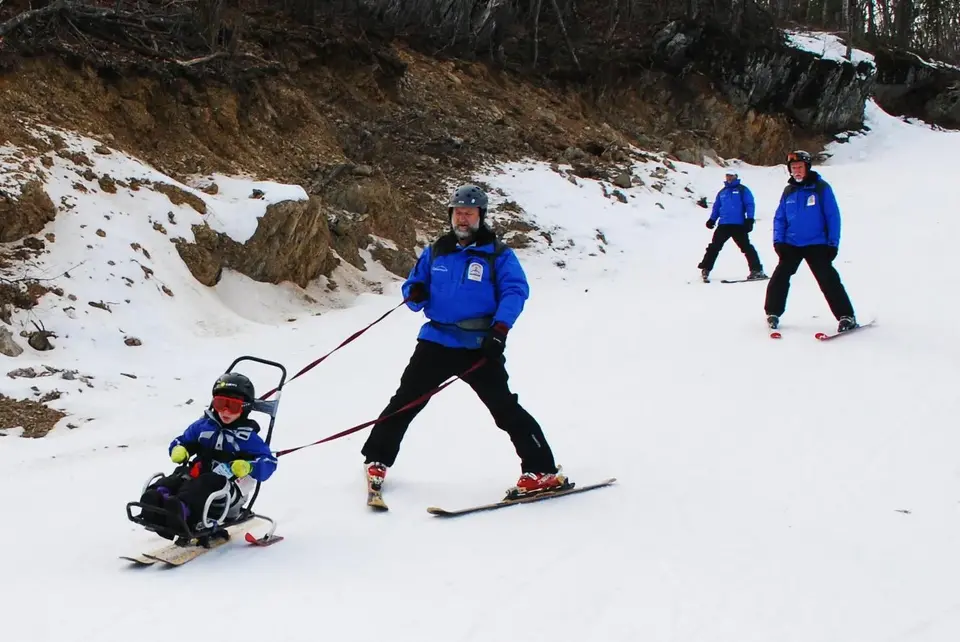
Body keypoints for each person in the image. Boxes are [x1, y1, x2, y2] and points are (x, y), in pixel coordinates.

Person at [360, 184, 567, 497]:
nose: (463, 218)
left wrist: (500, 330)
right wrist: (414, 293)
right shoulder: (437, 250)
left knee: (504, 408)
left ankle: (542, 470)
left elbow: (515, 291)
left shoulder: (497, 253)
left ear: (480, 216)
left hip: (479, 345)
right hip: (437, 340)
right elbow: (415, 284)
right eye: (458, 212)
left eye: (469, 213)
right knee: (405, 401)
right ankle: (377, 459)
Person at [138, 372, 278, 538]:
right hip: (196, 479)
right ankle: (157, 501)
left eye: (232, 406)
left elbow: (269, 462)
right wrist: (180, 449)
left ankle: (182, 511)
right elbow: (182, 440)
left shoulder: (248, 438)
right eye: (220, 404)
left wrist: (249, 466)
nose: (225, 411)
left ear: (245, 407)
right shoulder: (204, 426)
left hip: (227, 491)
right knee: (179, 476)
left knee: (206, 482)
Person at [764, 150, 857, 332]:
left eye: (799, 167)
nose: (796, 171)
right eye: (793, 168)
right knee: (780, 277)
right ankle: (772, 313)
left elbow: (833, 216)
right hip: (791, 243)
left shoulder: (821, 188)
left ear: (807, 167)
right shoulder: (788, 191)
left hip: (817, 243)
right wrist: (778, 241)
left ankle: (846, 316)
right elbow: (780, 218)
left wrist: (833, 243)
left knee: (828, 279)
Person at [697, 171, 766, 282]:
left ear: (736, 177)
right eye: (727, 176)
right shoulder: (722, 192)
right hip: (723, 225)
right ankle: (705, 268)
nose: (729, 178)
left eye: (731, 176)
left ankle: (756, 270)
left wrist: (750, 219)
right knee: (714, 247)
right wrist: (712, 219)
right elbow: (717, 207)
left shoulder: (743, 190)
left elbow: (750, 204)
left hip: (738, 225)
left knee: (746, 248)